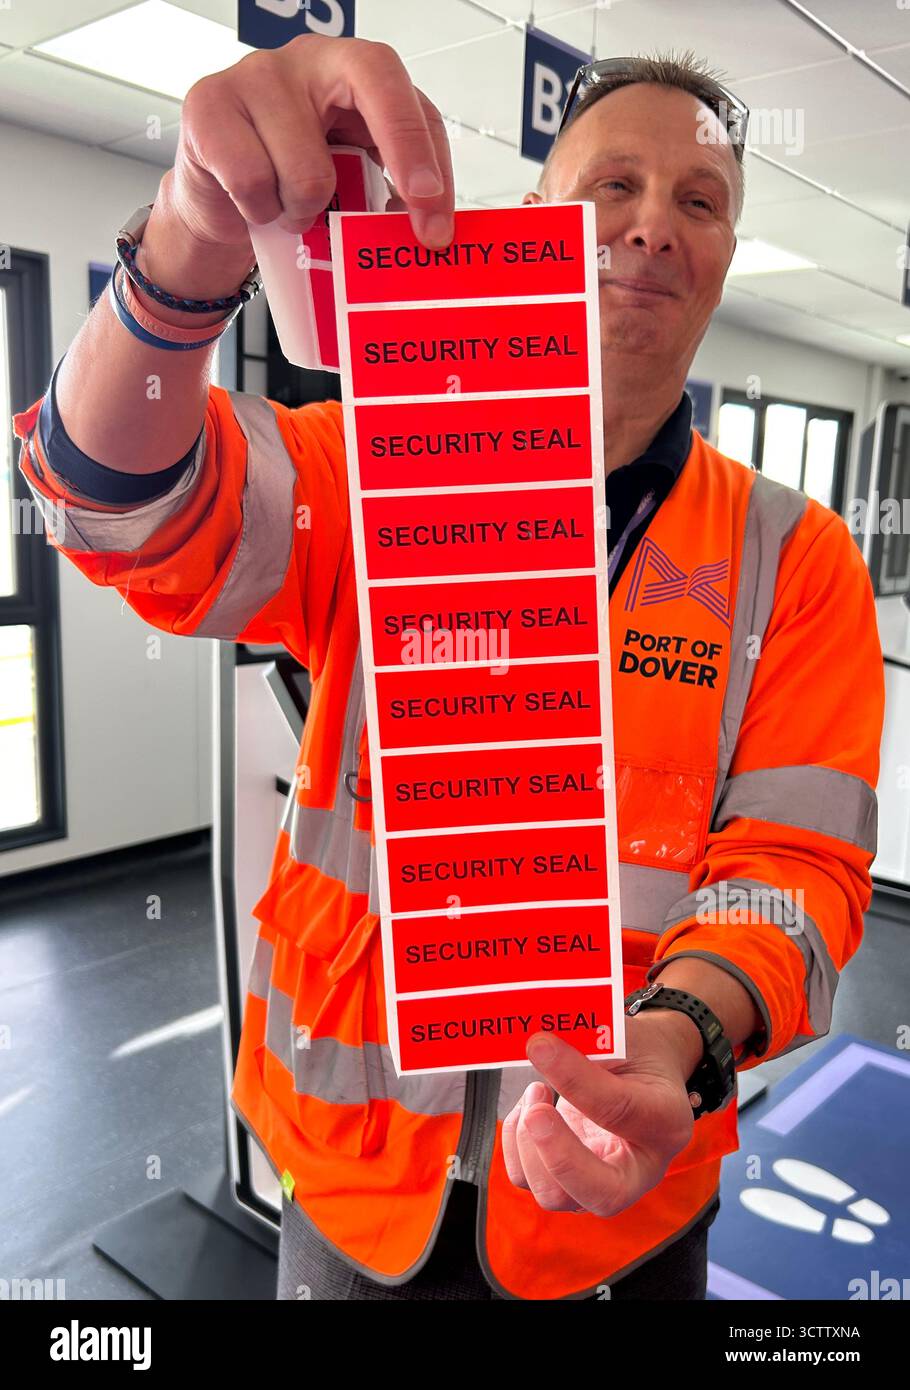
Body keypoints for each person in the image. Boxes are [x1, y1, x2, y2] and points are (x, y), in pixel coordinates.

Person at [11, 36, 885, 1301]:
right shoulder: (376, 468)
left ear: (726, 255)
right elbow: (112, 504)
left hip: (616, 1205)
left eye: (698, 201)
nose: (651, 228)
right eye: (612, 188)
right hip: (357, 1191)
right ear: (533, 220)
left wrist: (681, 1031)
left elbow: (791, 872)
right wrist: (193, 241)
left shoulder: (793, 561)